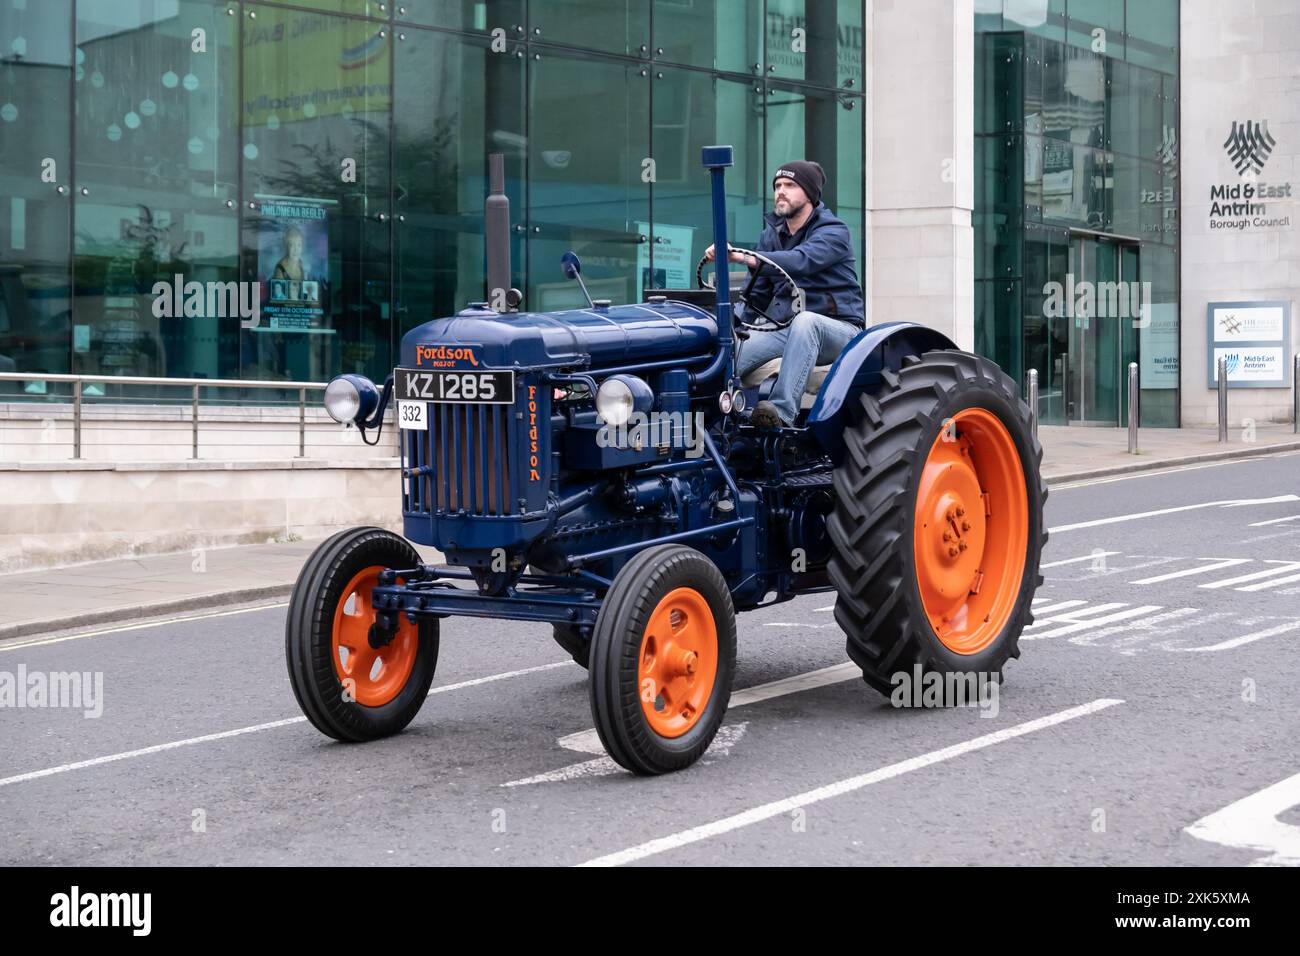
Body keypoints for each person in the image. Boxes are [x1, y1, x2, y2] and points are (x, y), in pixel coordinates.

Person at [705, 160, 865, 428]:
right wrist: (729, 329)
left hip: (839, 331)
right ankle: (707, 423)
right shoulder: (771, 236)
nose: (781, 191)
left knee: (807, 321)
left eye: (790, 185)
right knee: (729, 350)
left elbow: (800, 260)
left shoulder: (834, 231)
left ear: (810, 194)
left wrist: (743, 256)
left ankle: (780, 414)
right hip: (785, 329)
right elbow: (754, 297)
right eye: (778, 185)